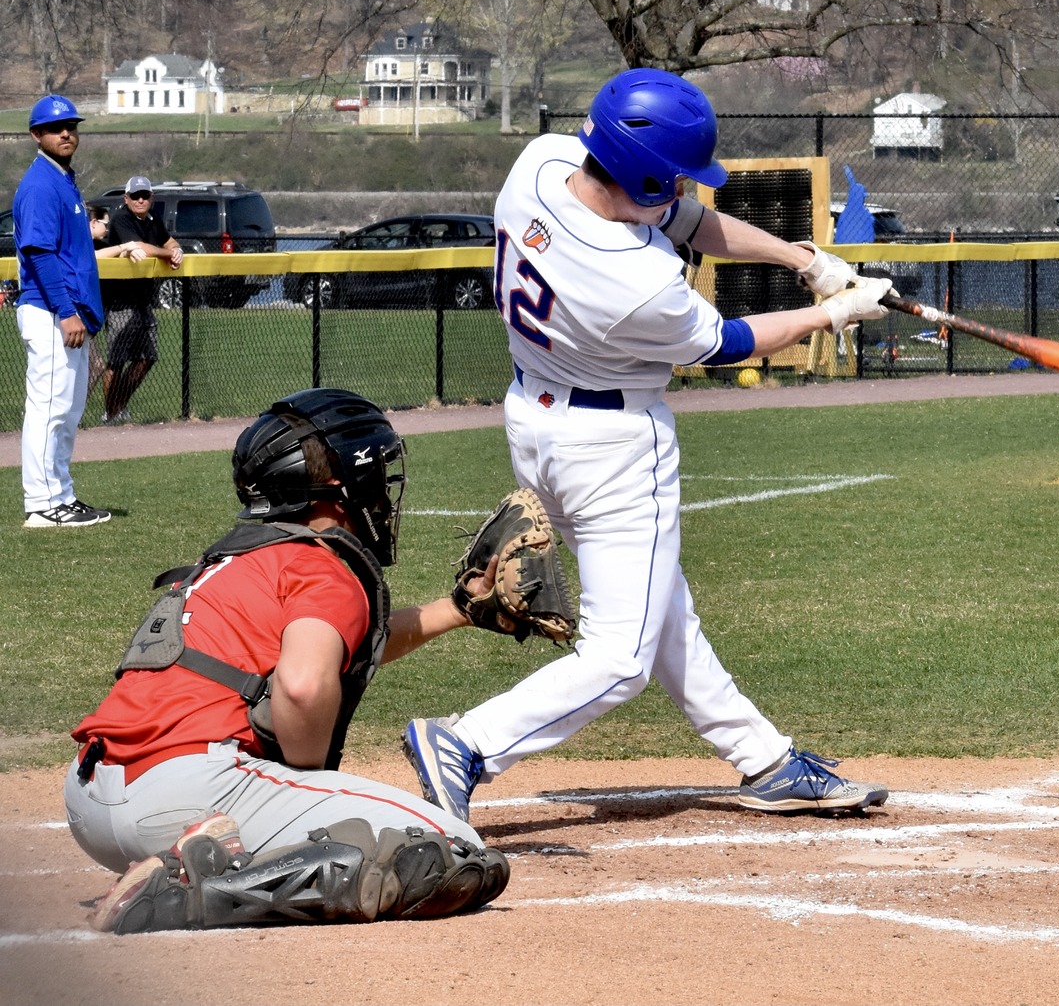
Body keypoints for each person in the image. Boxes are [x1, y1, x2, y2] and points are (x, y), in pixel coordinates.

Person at [402, 68, 893, 820]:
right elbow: (728, 340)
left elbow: (684, 217)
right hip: (613, 446)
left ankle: (762, 759)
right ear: (644, 175)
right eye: (670, 177)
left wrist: (805, 259)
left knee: (660, 608)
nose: (680, 190)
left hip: (534, 423)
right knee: (620, 656)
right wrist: (833, 313)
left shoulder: (540, 163)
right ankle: (467, 743)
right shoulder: (634, 281)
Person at [69, 388, 511, 934]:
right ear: (337, 491)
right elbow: (301, 685)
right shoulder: (326, 568)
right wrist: (304, 792)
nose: (381, 494)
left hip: (91, 798)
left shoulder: (246, 556)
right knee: (457, 849)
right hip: (188, 791)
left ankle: (205, 859)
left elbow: (344, 645)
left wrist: (459, 608)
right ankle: (189, 892)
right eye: (373, 477)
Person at [13, 95, 110, 528]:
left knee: (66, 412)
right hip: (50, 311)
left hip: (66, 313)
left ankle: (61, 495)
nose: (66, 132)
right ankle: (42, 502)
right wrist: (66, 311)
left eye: (71, 125)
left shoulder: (62, 179)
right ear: (37, 135)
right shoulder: (39, 184)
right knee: (49, 410)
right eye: (55, 128)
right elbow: (39, 254)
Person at [96, 175, 183, 424]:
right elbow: (141, 247)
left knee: (147, 357)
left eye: (145, 195)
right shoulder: (122, 219)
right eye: (135, 196)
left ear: (151, 198)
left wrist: (177, 251)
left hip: (143, 300)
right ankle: (110, 413)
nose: (141, 199)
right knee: (117, 360)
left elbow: (170, 241)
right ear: (127, 198)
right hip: (120, 300)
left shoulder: (154, 220)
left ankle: (119, 405)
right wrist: (169, 254)